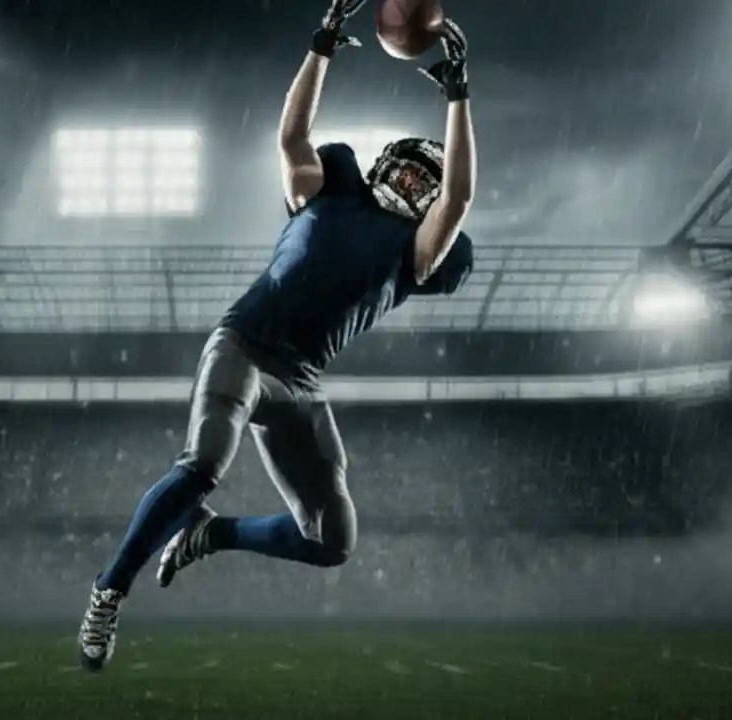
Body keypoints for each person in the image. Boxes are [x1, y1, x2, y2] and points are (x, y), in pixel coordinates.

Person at [78, 0, 476, 672]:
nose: (415, 182)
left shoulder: (417, 254)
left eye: (425, 181)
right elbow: (292, 136)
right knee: (204, 463)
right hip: (243, 345)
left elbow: (459, 196)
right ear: (384, 166)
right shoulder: (332, 187)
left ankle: (214, 534)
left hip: (299, 382)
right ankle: (109, 591)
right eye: (408, 168)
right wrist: (321, 43)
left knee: (333, 537)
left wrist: (459, 94)